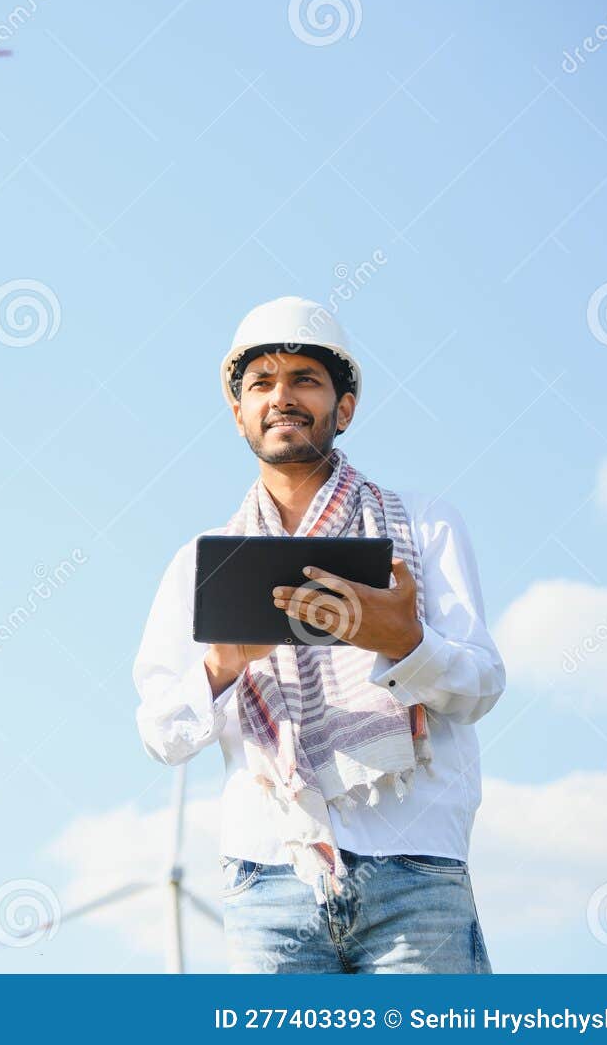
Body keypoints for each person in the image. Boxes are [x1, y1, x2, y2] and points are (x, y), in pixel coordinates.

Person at [131, 296, 506, 973]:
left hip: (416, 871)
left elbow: (482, 684)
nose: (283, 397)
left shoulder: (422, 526)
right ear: (238, 411)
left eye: (305, 378)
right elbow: (162, 733)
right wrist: (220, 666)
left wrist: (407, 641)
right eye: (261, 384)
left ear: (345, 407)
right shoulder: (203, 562)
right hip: (269, 880)